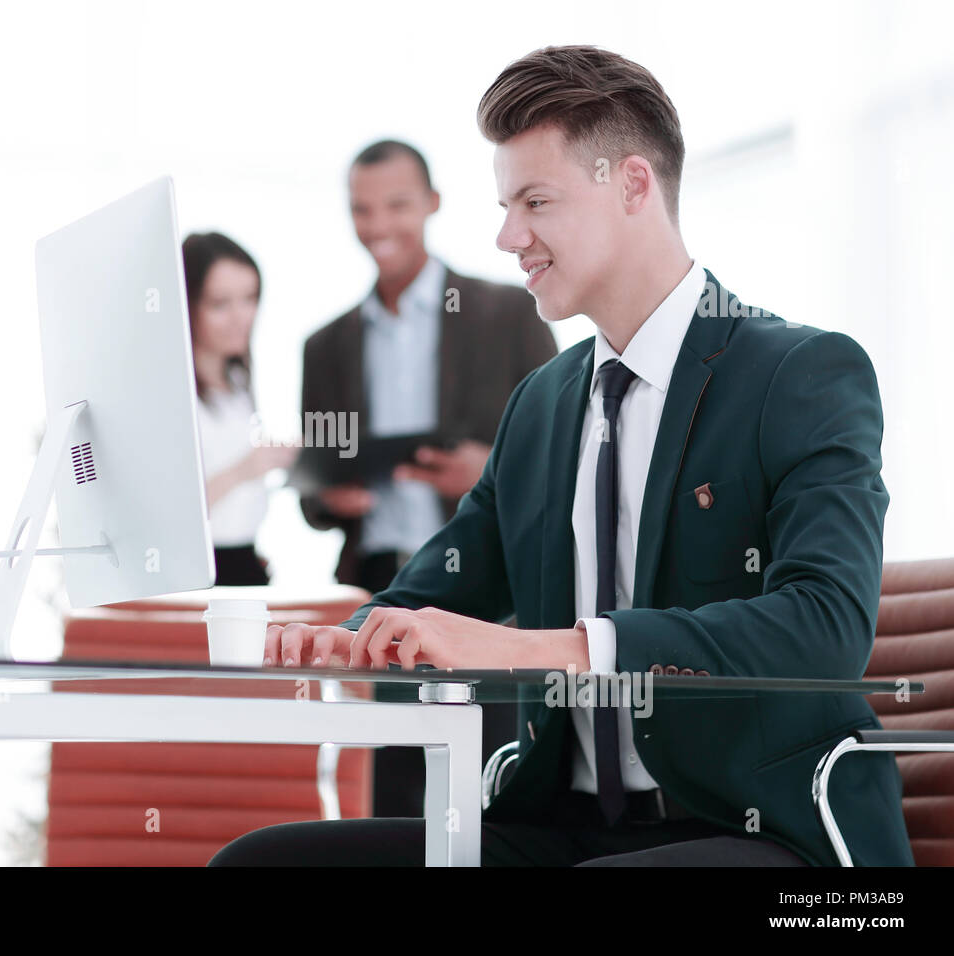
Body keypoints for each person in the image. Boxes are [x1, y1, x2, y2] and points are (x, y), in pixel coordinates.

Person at [211, 45, 912, 866]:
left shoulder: (801, 374)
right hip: (559, 827)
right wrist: (348, 635)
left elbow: (825, 630)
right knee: (263, 862)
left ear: (634, 185)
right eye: (506, 204)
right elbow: (439, 586)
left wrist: (541, 648)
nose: (509, 236)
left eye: (536, 201)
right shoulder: (543, 403)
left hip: (759, 830)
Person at [299, 140, 558, 817]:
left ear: (433, 204)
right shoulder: (325, 346)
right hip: (383, 587)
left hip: (482, 597)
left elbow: (560, 455)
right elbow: (314, 484)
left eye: (396, 204)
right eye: (361, 208)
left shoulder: (507, 313)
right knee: (390, 797)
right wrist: (327, 498)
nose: (378, 224)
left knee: (486, 795)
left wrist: (489, 471)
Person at [183, 232, 297, 586]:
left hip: (245, 561)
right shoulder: (173, 395)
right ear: (188, 304)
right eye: (220, 304)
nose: (241, 317)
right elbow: (166, 517)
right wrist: (246, 469)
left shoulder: (237, 383)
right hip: (198, 572)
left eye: (250, 299)